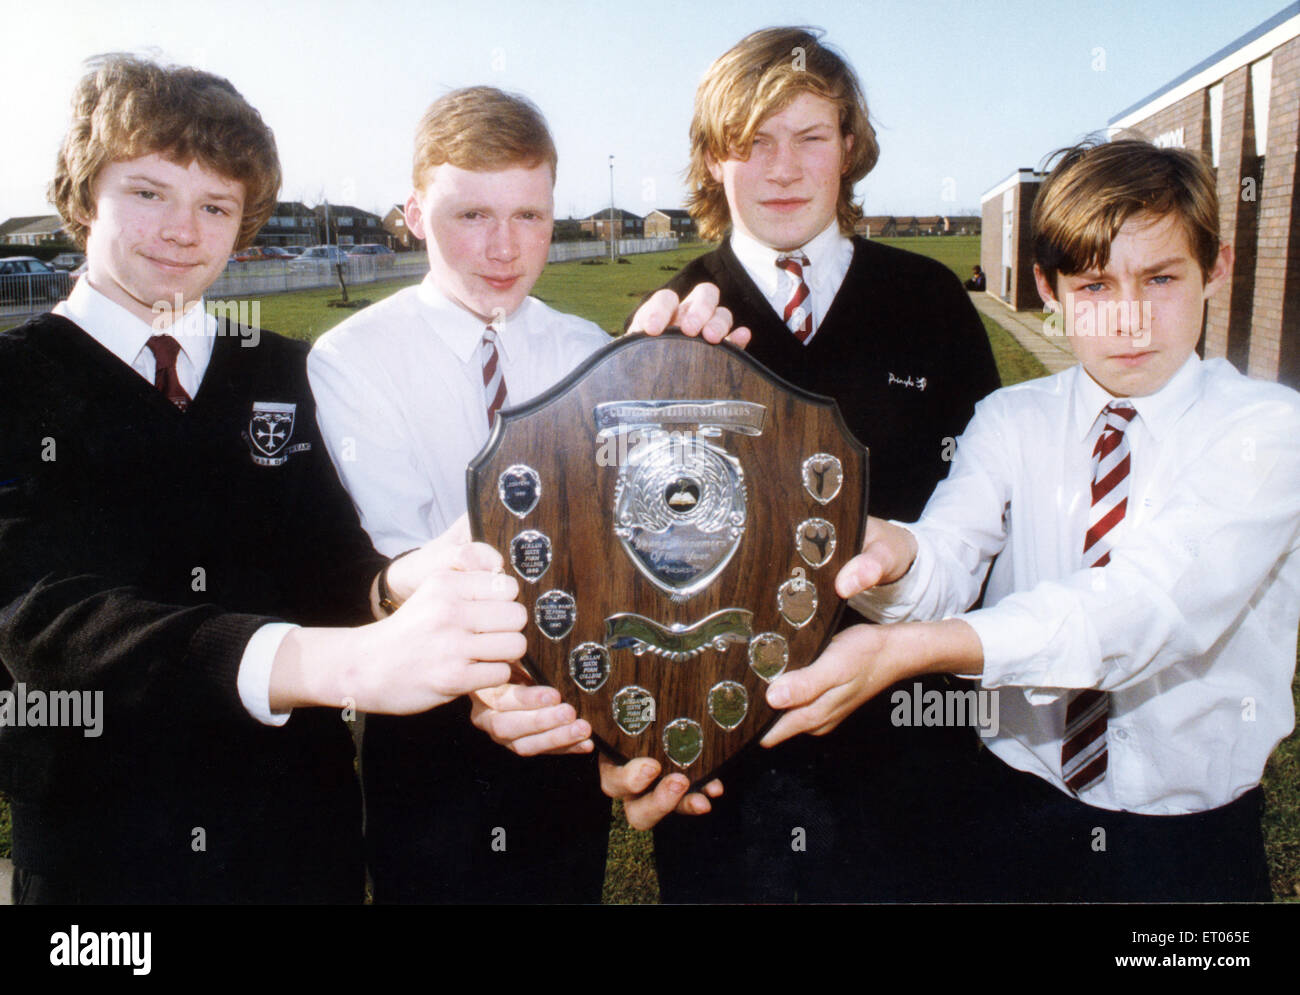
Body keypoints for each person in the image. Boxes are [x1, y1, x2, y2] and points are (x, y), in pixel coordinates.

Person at [0, 55, 526, 904]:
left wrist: (404, 582)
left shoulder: (287, 371)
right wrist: (333, 665)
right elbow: (40, 621)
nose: (182, 229)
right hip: (105, 862)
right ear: (82, 193)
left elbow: (336, 571)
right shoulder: (15, 383)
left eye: (215, 206)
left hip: (299, 848)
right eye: (148, 192)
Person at [771, 138, 1300, 901]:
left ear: (1214, 269)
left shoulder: (1268, 428)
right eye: (1093, 286)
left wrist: (910, 650)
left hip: (1191, 840)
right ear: (1048, 288)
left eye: (1160, 278)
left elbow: (1142, 610)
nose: (1128, 319)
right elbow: (949, 562)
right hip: (1014, 806)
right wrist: (892, 555)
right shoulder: (1012, 418)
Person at [593, 27, 1002, 901]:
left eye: (810, 137)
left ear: (849, 149)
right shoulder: (665, 327)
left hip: (912, 755)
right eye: (752, 142)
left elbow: (993, 523)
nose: (782, 168)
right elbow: (614, 575)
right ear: (712, 158)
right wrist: (623, 741)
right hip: (731, 776)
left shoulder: (929, 301)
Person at [308, 86, 744, 903]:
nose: (504, 247)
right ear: (413, 212)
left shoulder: (589, 350)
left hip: (571, 708)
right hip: (429, 719)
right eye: (471, 215)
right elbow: (413, 554)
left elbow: (633, 542)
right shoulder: (352, 356)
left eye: (530, 217)